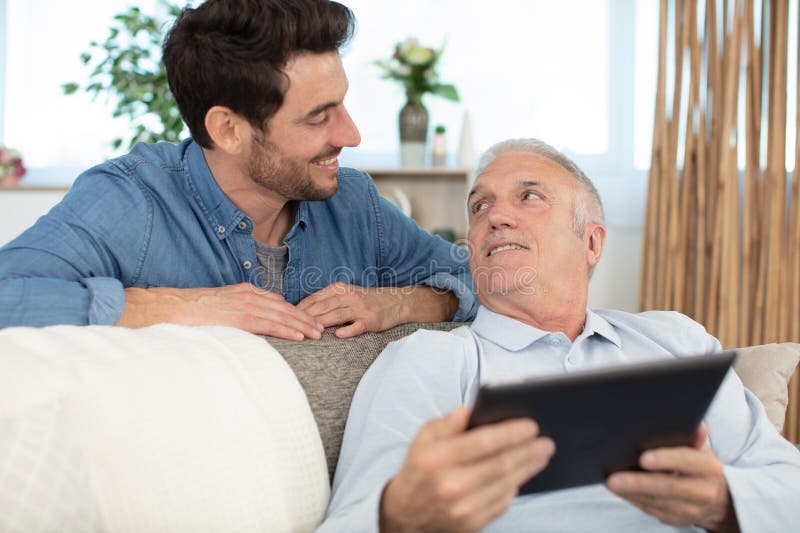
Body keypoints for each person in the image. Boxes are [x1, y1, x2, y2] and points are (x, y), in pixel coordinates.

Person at [319, 138, 800, 532]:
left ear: (591, 242)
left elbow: (788, 485)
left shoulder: (676, 342)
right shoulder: (426, 360)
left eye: (528, 196)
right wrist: (401, 514)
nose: (494, 216)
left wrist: (721, 501)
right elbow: (348, 522)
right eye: (480, 205)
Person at [0, 0, 476, 338]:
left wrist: (409, 302)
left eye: (343, 105)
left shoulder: (355, 205)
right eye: (318, 116)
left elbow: (490, 278)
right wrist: (183, 306)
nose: (351, 136)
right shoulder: (132, 202)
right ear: (228, 129)